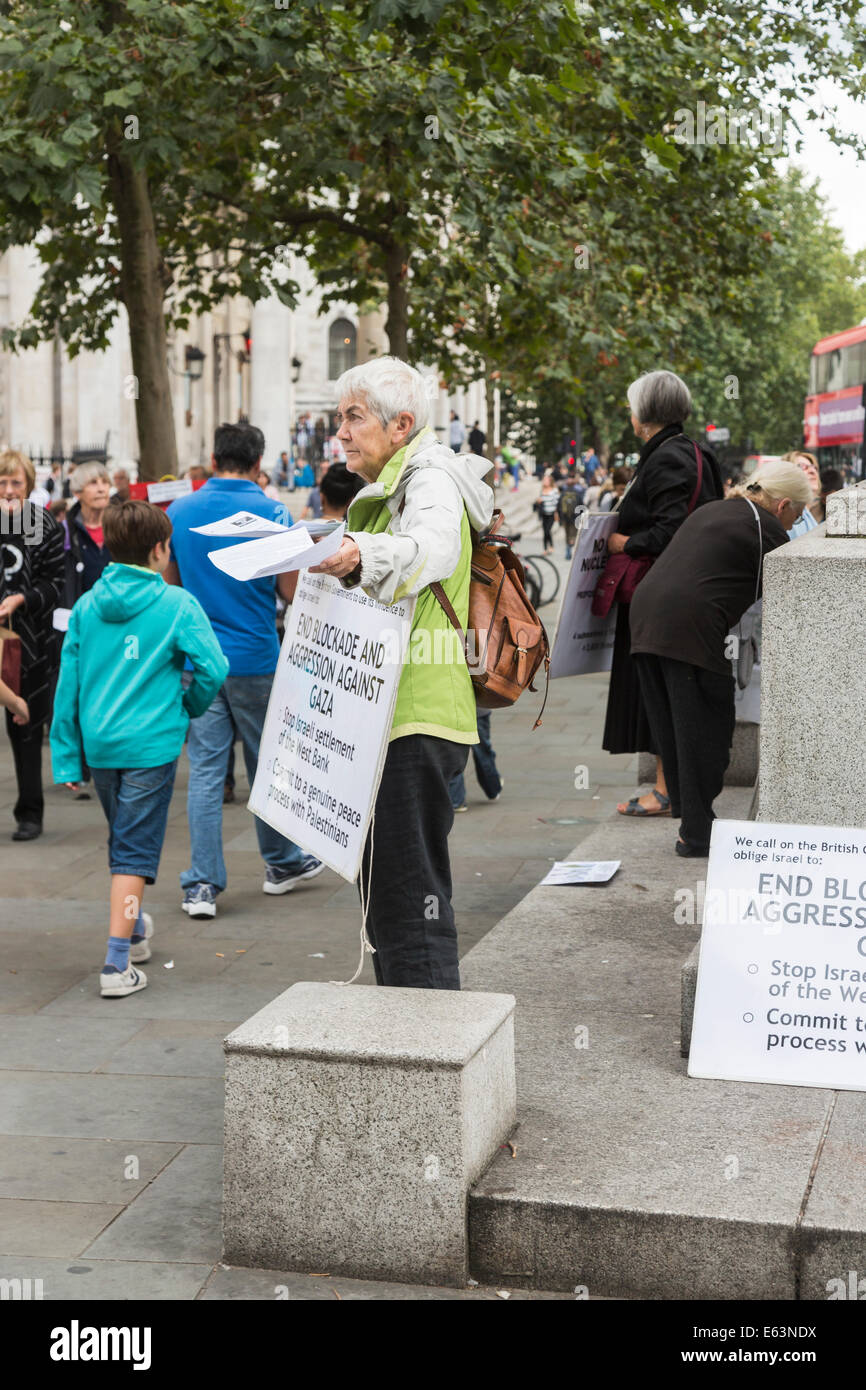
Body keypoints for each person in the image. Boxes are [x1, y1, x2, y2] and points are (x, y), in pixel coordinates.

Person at [310, 356, 493, 990]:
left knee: (410, 896)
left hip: (413, 715)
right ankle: (409, 1041)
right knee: (390, 894)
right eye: (340, 418)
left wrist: (363, 551)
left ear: (401, 424)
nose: (341, 432)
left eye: (353, 418)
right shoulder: (399, 480)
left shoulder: (431, 477)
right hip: (389, 714)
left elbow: (435, 548)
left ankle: (426, 1053)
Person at [50, 500, 228, 997]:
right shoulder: (177, 604)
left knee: (126, 841)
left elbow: (67, 685)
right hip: (152, 744)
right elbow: (213, 667)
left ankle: (135, 927)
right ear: (159, 549)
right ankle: (116, 962)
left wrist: (66, 756)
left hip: (101, 746)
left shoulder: (85, 607)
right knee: (132, 852)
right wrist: (188, 706)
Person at [166, 422, 321, 919]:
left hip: (199, 660)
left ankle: (202, 887)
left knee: (207, 773)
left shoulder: (178, 512)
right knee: (266, 767)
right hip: (255, 657)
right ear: (259, 466)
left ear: (213, 460)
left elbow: (173, 585)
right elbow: (291, 592)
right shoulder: (274, 513)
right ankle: (280, 864)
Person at [629, 460, 811, 856]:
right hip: (687, 629)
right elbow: (797, 594)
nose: (796, 524)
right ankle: (695, 835)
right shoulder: (768, 529)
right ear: (782, 506)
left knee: (675, 728)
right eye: (798, 514)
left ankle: (691, 818)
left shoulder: (715, 508)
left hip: (645, 621)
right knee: (706, 727)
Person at [601, 370, 723, 818]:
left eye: (633, 405)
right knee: (663, 692)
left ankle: (666, 790)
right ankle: (670, 788)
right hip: (679, 593)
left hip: (661, 595)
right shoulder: (694, 451)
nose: (630, 414)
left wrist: (624, 543)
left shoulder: (669, 457)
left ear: (645, 413)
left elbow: (673, 529)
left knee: (660, 694)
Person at [0, 450, 65, 841]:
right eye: (2, 483)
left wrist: (21, 599)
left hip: (26, 642)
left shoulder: (41, 525)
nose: (8, 491)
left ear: (28, 486)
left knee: (24, 725)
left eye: (15, 483)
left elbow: (55, 583)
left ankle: (30, 811)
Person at [63, 462, 112, 606]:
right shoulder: (66, 532)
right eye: (93, 483)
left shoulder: (121, 527)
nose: (101, 489)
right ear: (77, 492)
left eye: (105, 482)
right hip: (83, 613)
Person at [557, 473, 584, 560]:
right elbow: (581, 506)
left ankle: (568, 552)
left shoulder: (563, 493)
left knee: (567, 534)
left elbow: (559, 506)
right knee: (573, 535)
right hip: (575, 518)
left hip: (565, 517)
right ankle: (571, 552)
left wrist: (560, 518)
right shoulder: (578, 492)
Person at [536, 472, 560, 554]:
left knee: (547, 530)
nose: (544, 481)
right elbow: (540, 501)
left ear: (550, 481)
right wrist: (538, 501)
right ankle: (545, 548)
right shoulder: (542, 490)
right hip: (544, 514)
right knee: (545, 531)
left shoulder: (554, 490)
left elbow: (557, 503)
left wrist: (557, 513)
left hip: (551, 514)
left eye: (546, 480)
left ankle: (551, 546)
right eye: (544, 480)